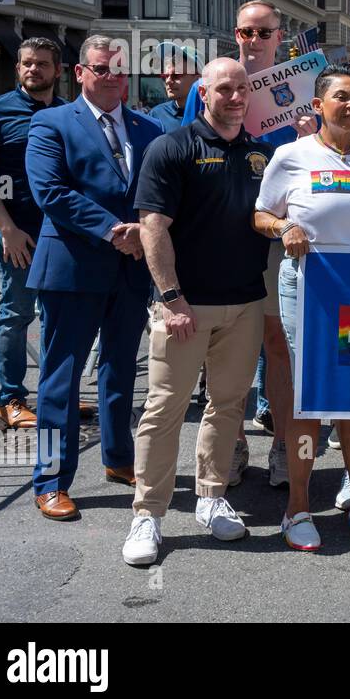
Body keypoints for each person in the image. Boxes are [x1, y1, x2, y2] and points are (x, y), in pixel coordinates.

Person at [121, 58, 273, 565]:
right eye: (224, 88)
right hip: (185, 308)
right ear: (203, 93)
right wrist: (171, 300)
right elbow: (153, 227)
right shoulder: (172, 147)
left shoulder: (260, 153)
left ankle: (211, 497)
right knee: (164, 411)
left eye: (242, 89)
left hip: (246, 302)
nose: (234, 97)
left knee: (228, 406)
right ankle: (148, 514)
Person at [253, 64, 350, 550]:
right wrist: (285, 229)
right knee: (309, 399)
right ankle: (297, 508)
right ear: (317, 106)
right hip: (309, 289)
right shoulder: (290, 155)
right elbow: (260, 214)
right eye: (340, 97)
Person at [25, 35, 163, 520]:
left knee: (121, 371)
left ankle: (119, 458)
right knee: (59, 380)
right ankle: (49, 479)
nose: (113, 77)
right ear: (79, 73)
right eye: (102, 69)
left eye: (120, 70)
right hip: (72, 271)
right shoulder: (50, 123)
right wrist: (113, 232)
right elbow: (51, 193)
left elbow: (159, 194)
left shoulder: (147, 130)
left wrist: (141, 236)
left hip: (129, 273)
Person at [185, 0, 315, 490]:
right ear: (235, 34)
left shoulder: (302, 90)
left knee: (278, 348)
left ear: (280, 37)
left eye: (264, 33)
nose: (254, 40)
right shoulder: (214, 82)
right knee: (224, 353)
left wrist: (311, 136)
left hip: (278, 239)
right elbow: (188, 152)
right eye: (246, 32)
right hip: (220, 241)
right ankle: (233, 444)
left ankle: (284, 446)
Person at [0, 38, 67, 431]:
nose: (32, 70)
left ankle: (56, 398)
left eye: (41, 64)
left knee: (59, 318)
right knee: (16, 314)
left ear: (58, 70)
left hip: (63, 235)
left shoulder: (69, 112)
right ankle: (11, 398)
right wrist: (7, 230)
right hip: (19, 235)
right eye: (25, 63)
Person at [148, 43, 202, 133]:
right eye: (165, 76)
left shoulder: (212, 115)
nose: (168, 81)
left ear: (198, 78)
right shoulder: (156, 115)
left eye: (176, 75)